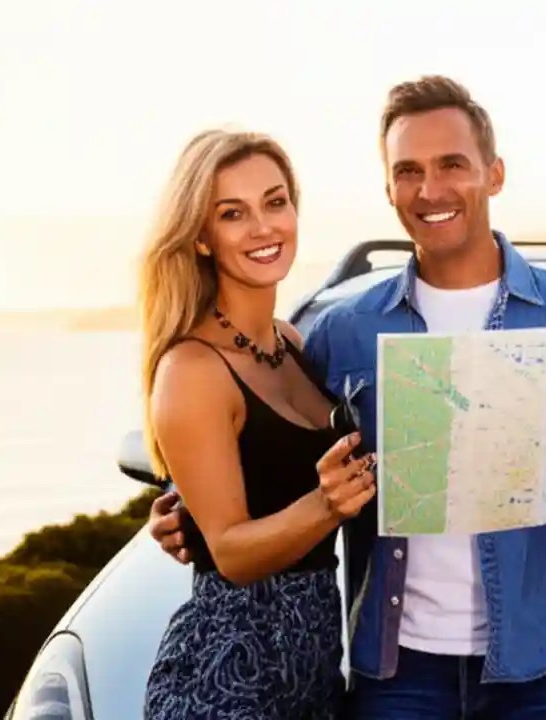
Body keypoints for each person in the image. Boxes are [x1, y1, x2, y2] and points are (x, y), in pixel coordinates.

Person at [149, 75, 546, 718]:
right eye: (409, 171)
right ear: (389, 189)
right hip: (398, 677)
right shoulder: (341, 332)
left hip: (545, 674)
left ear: (494, 174)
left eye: (452, 164)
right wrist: (187, 512)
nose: (430, 189)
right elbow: (263, 455)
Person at [138, 128, 376, 720]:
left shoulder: (289, 342)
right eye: (232, 213)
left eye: (275, 202)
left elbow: (258, 472)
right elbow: (231, 553)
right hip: (226, 684)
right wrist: (327, 504)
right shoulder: (193, 368)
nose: (263, 227)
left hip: (312, 675)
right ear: (200, 237)